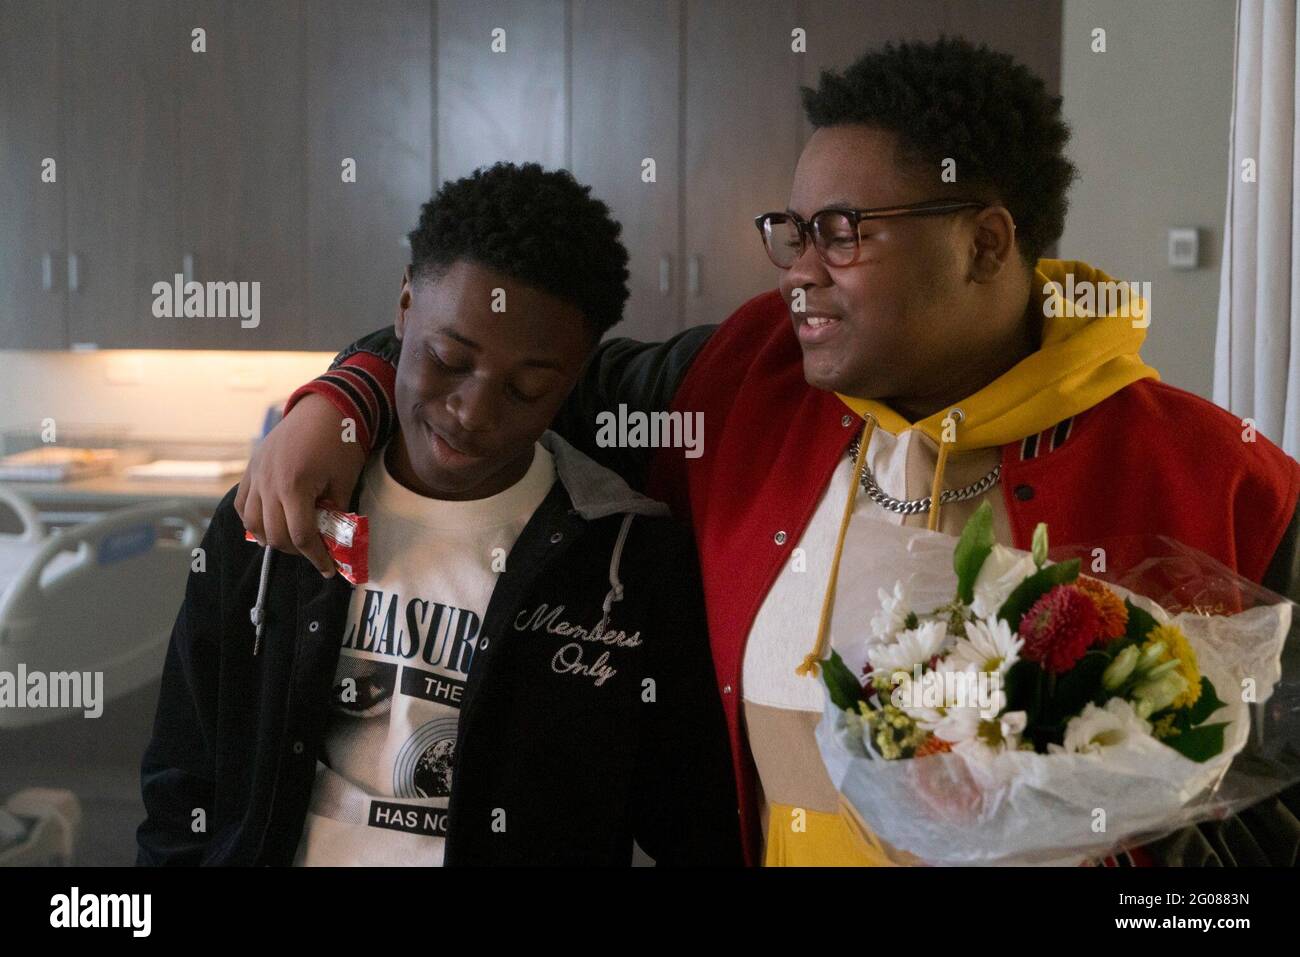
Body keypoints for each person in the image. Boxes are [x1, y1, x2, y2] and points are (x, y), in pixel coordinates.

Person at [237, 39, 1300, 867]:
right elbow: (512, 380)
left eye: (841, 233)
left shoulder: (1222, 478)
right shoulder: (746, 383)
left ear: (984, 241)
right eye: (790, 233)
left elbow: (1275, 821)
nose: (799, 272)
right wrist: (348, 393)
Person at [138, 162, 741, 866]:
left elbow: (693, 824)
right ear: (402, 309)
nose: (472, 411)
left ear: (574, 381)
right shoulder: (275, 512)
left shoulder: (630, 566)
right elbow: (182, 787)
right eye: (449, 359)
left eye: (526, 388)